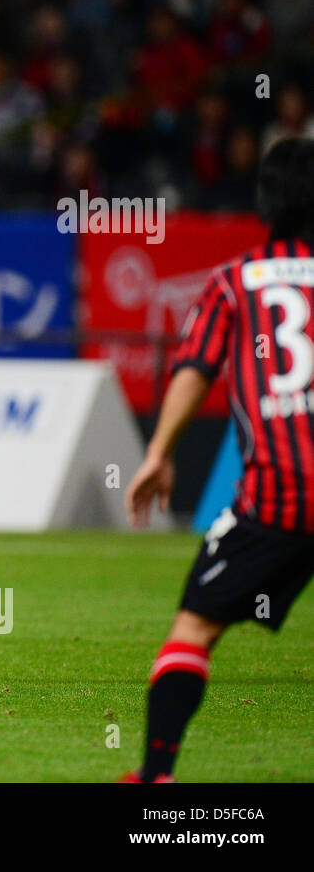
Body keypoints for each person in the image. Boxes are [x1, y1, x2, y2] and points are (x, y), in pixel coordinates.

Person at [123, 137, 314, 782]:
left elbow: (196, 367)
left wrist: (159, 452)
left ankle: (156, 784)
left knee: (194, 629)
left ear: (266, 202)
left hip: (279, 496)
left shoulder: (237, 280)